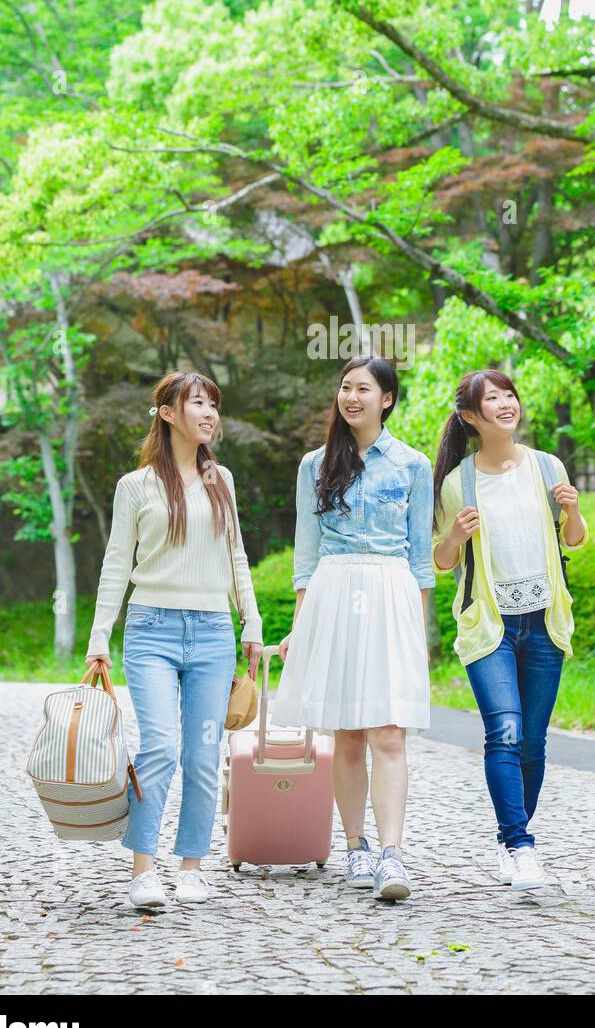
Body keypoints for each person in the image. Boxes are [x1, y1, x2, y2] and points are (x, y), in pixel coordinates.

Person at [84, 371, 263, 910]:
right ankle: (143, 870)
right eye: (197, 404)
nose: (209, 413)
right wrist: (98, 638)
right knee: (160, 746)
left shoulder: (221, 480)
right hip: (151, 630)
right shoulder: (135, 486)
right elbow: (117, 564)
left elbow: (236, 556)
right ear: (166, 413)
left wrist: (250, 622)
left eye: (213, 404)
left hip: (212, 633)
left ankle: (190, 866)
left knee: (204, 754)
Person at [273, 356, 434, 901]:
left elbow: (419, 559)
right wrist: (301, 624)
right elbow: (306, 553)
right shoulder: (314, 464)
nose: (352, 397)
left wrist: (418, 627)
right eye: (345, 388)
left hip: (390, 593)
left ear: (386, 398)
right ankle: (356, 847)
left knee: (389, 730)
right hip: (334, 592)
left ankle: (393, 855)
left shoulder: (413, 465)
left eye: (364, 389)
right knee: (346, 733)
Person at [432, 370, 589, 891]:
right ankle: (519, 845)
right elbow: (440, 560)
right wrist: (454, 535)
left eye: (508, 395)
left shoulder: (548, 467)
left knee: (534, 742)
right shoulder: (459, 483)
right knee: (504, 731)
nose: (505, 404)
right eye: (491, 399)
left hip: (543, 621)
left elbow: (576, 538)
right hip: (489, 625)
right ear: (471, 417)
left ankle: (512, 839)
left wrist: (572, 509)